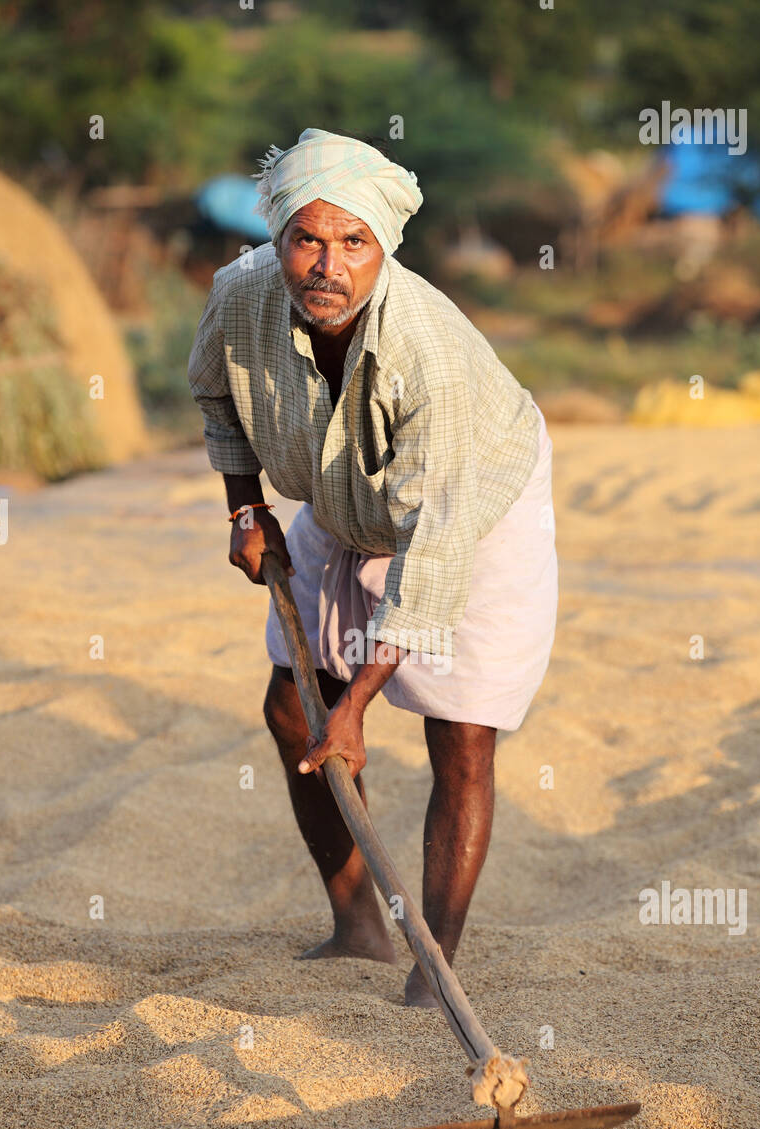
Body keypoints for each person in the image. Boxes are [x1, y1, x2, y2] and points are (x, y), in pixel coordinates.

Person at [188, 127, 557, 1007]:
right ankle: (358, 927)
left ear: (383, 247)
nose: (328, 264)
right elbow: (215, 394)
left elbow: (432, 553)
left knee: (458, 734)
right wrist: (247, 509)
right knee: (292, 707)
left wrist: (359, 704)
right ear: (276, 239)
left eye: (353, 242)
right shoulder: (239, 297)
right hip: (340, 491)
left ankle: (437, 969)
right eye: (307, 239)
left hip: (472, 504)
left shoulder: (428, 355)